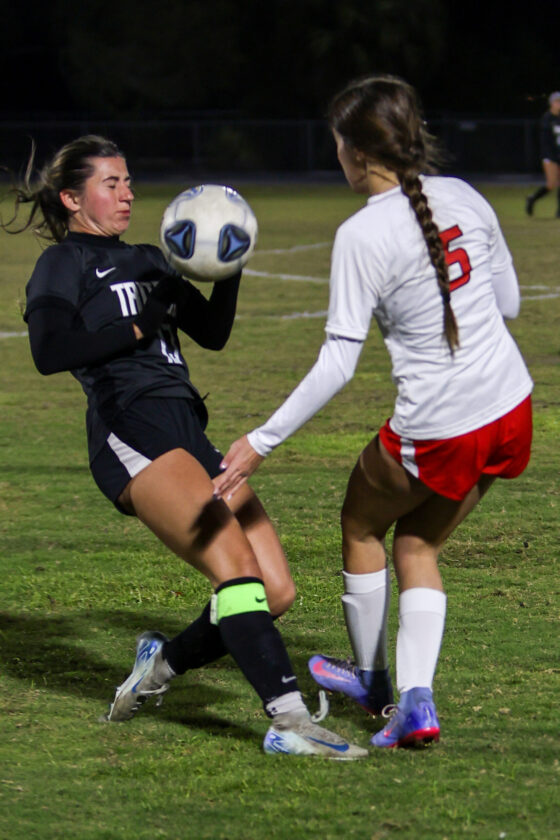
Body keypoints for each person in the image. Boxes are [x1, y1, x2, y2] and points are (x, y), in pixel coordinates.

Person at [5, 134, 367, 759]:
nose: (128, 193)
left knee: (275, 590)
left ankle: (161, 664)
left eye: (128, 181)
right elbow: (49, 352)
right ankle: (288, 721)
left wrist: (230, 262)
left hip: (187, 427)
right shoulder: (63, 265)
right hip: (132, 428)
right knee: (236, 569)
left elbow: (214, 333)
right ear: (71, 197)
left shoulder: (150, 257)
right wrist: (139, 323)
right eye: (111, 183)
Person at [215, 75, 533, 749]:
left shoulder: (361, 235)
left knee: (361, 524)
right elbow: (507, 304)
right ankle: (413, 703)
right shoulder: (466, 196)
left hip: (442, 424)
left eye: (338, 143)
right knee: (417, 543)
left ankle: (369, 677)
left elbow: (338, 361)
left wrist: (261, 440)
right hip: (510, 407)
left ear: (358, 153)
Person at [525, 91, 560, 217]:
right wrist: (551, 156)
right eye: (557, 102)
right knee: (551, 184)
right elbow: (546, 142)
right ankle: (532, 199)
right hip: (550, 156)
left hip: (558, 154)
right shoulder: (547, 119)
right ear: (551, 103)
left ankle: (559, 212)